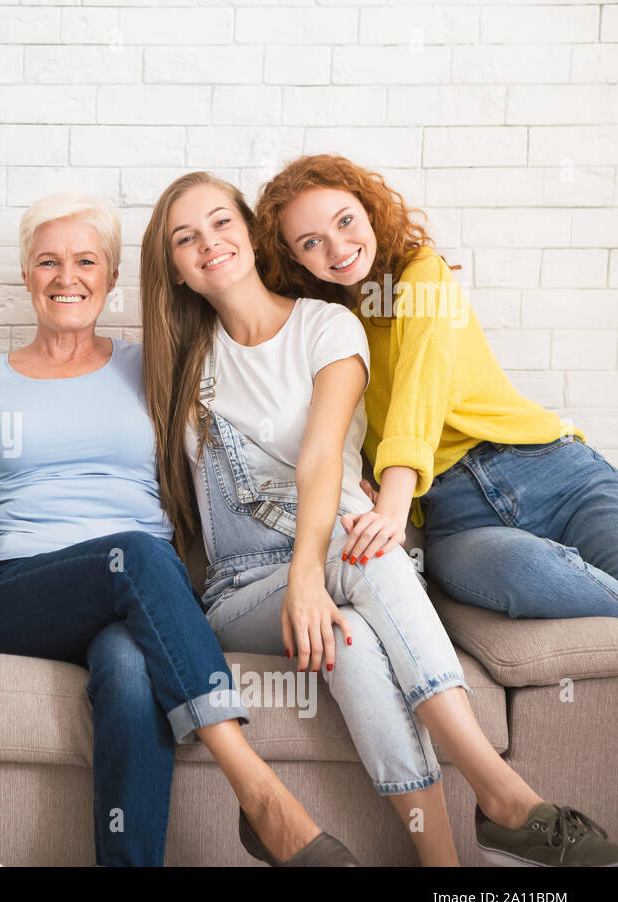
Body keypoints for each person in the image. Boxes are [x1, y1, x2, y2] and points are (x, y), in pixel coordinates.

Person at [140, 170, 618, 866]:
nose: (209, 243)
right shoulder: (180, 363)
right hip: (247, 588)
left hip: (337, 554)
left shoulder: (328, 325)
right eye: (186, 239)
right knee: (370, 556)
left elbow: (321, 457)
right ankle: (503, 797)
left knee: (354, 634)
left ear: (248, 232)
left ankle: (442, 867)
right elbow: (75, 363)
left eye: (221, 222)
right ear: (176, 271)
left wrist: (316, 567)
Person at [0, 191, 357, 866]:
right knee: (131, 556)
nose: (66, 277)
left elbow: (254, 417)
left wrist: (354, 476)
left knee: (131, 668)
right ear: (24, 276)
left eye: (85, 261)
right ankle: (260, 794)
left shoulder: (155, 365)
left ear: (110, 276)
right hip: (15, 595)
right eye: (47, 262)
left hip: (138, 598)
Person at [252, 153, 618, 620]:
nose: (337, 246)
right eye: (310, 242)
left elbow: (416, 393)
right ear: (293, 256)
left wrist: (391, 509)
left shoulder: (420, 272)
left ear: (368, 210)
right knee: (524, 572)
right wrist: (358, 474)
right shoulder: (320, 326)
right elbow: (324, 417)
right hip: (456, 515)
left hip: (552, 471)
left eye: (345, 220)